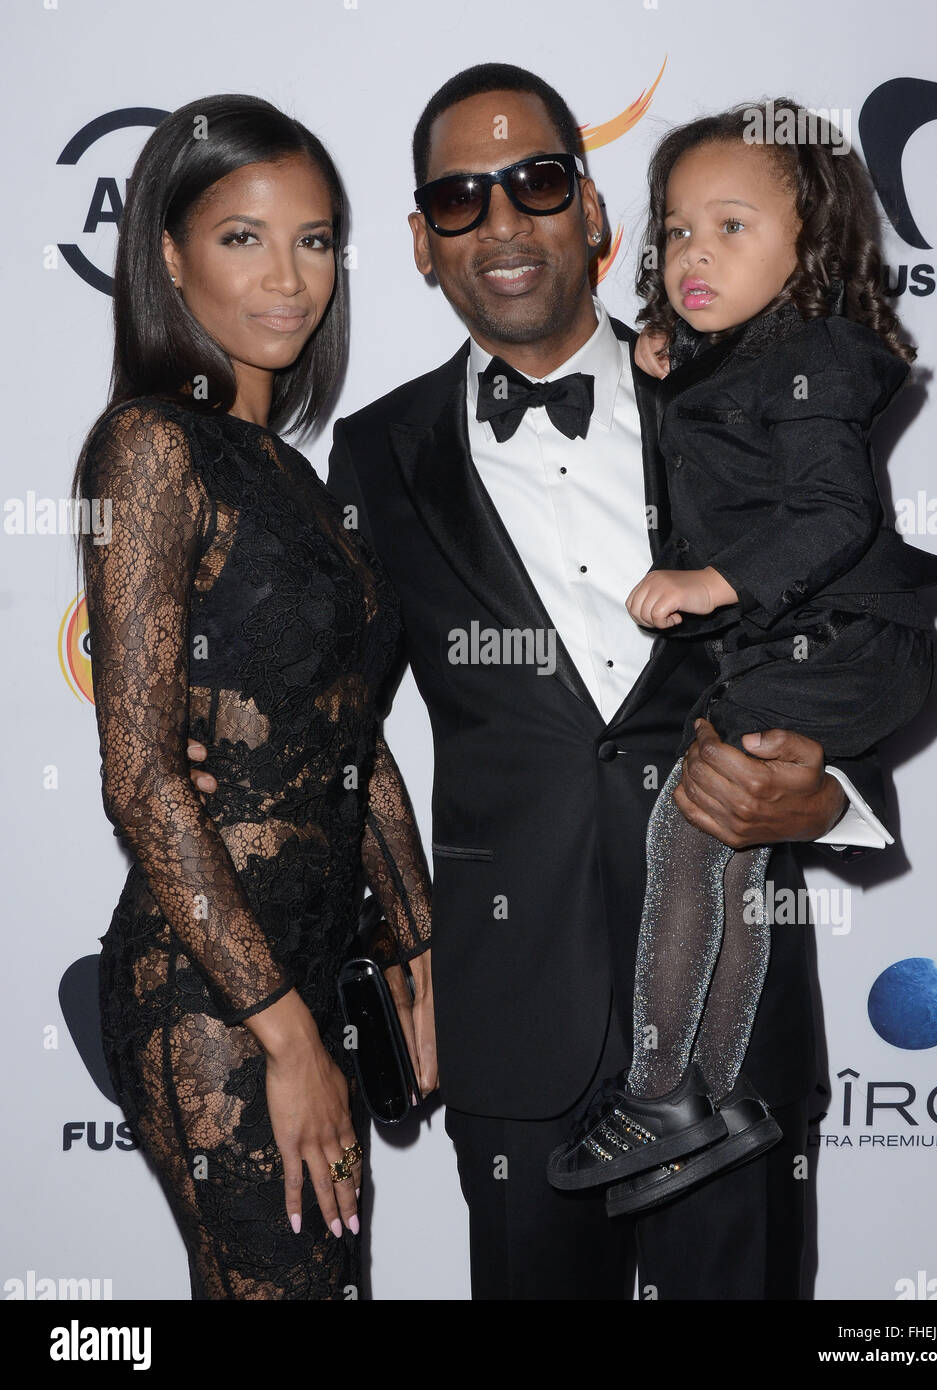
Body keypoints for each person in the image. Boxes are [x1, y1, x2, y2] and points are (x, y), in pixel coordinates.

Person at [192, 65, 895, 1299]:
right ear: (419, 242)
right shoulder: (372, 456)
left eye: (537, 183)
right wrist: (341, 962)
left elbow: (866, 616)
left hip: (734, 1035)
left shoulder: (738, 391)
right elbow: (332, 741)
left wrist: (828, 795)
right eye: (460, 199)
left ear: (595, 215)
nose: (502, 223)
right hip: (510, 1023)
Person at [546, 100, 937, 1215]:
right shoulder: (729, 358)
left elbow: (831, 515)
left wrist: (710, 584)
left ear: (809, 248)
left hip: (838, 639)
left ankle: (657, 1088)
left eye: (732, 227)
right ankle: (711, 1097)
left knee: (689, 837)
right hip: (813, 644)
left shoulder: (821, 361)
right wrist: (665, 356)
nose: (693, 251)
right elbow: (723, 438)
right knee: (722, 864)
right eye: (678, 230)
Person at [73, 93, 434, 1301]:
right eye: (244, 237)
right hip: (214, 997)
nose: (289, 276)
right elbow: (139, 775)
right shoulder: (151, 449)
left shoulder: (300, 476)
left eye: (316, 239)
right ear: (169, 255)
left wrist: (418, 937)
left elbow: (354, 736)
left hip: (307, 974)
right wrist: (284, 1035)